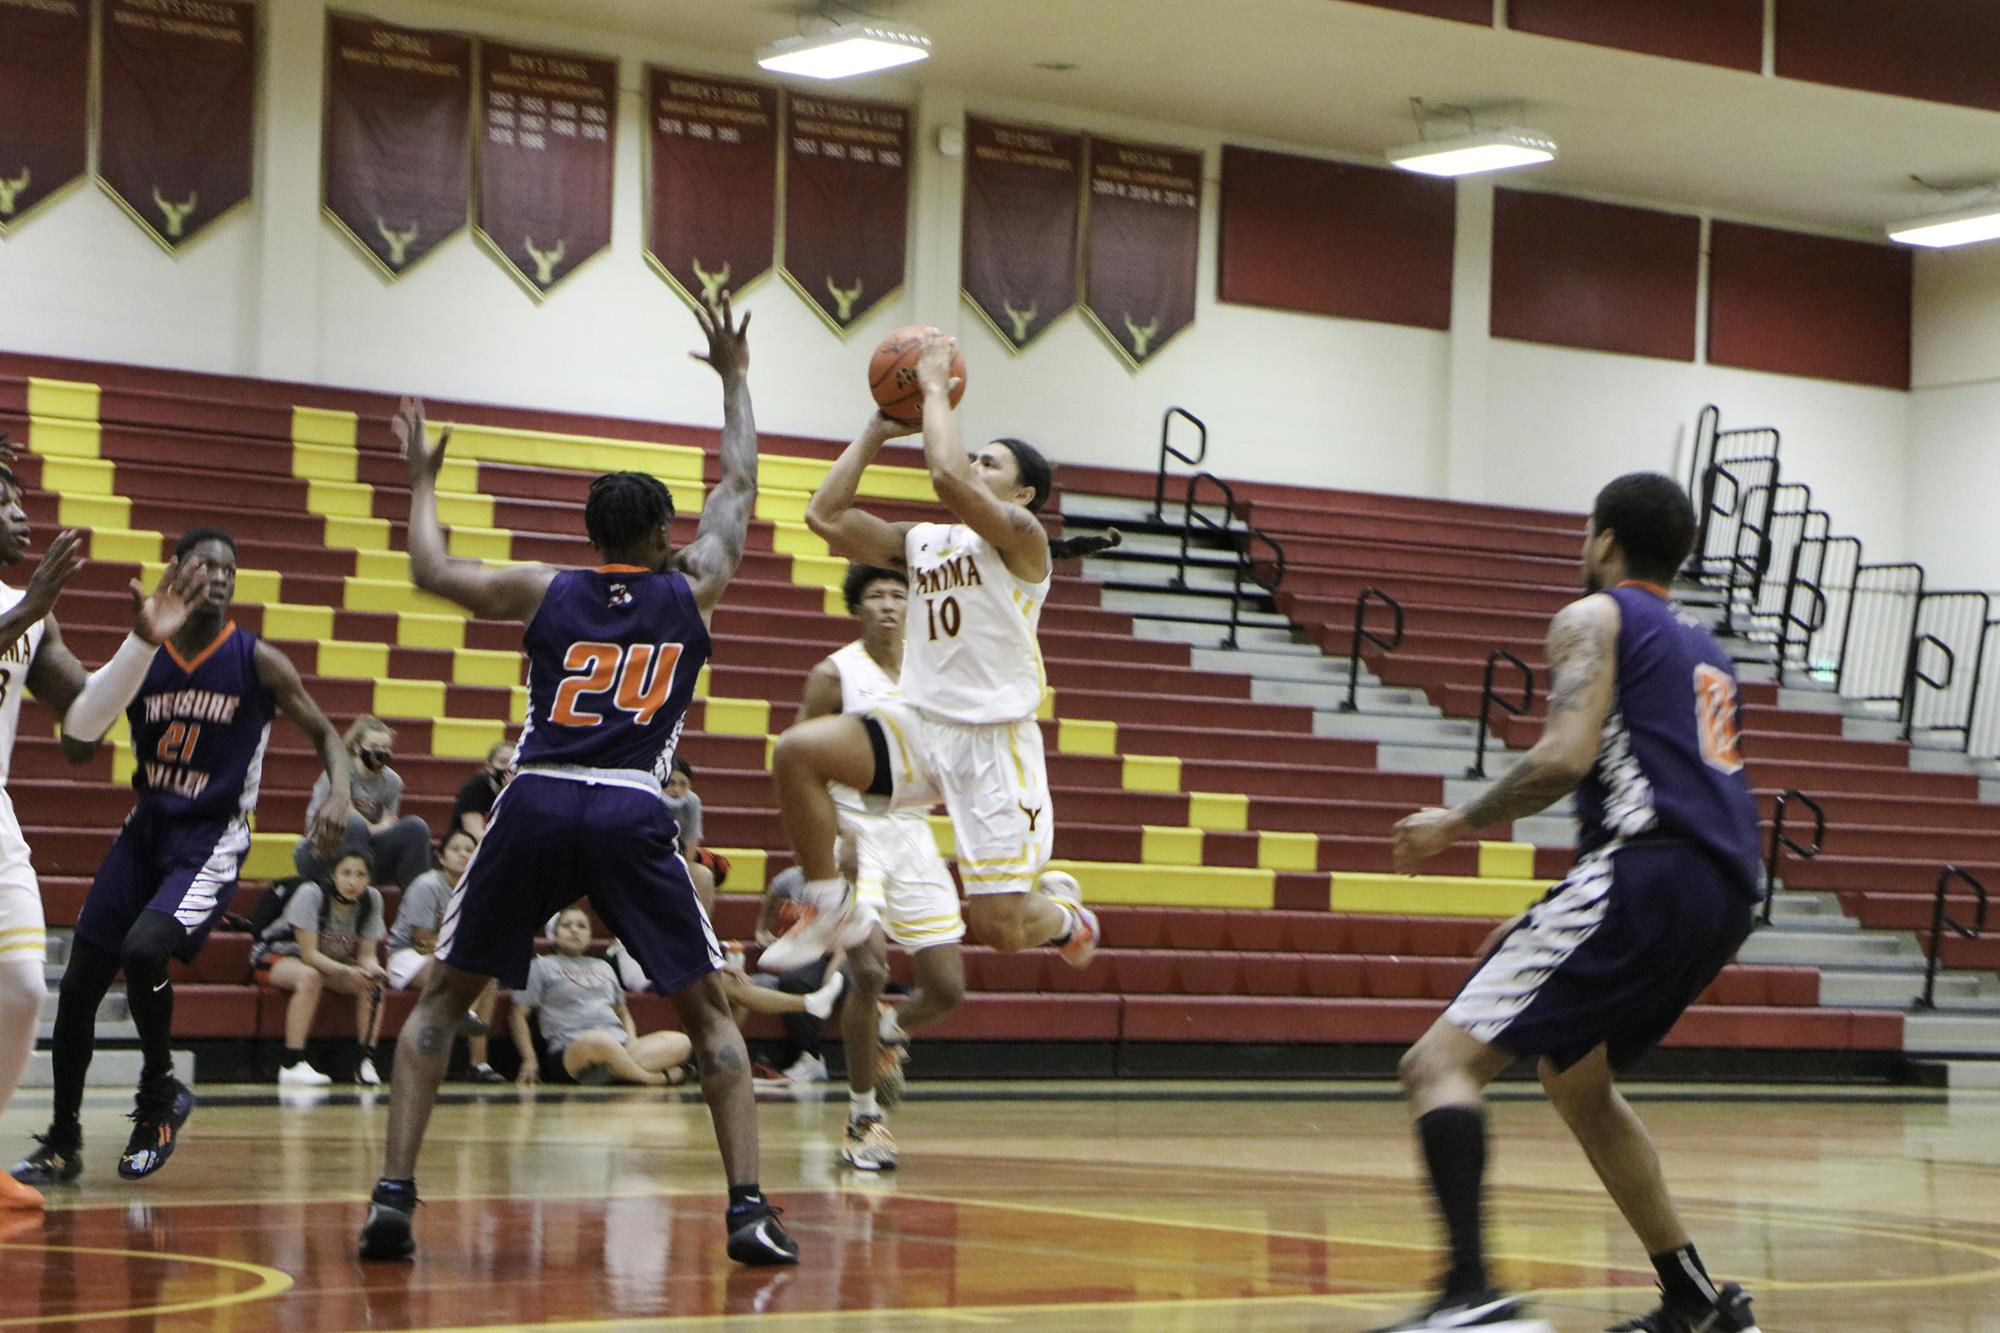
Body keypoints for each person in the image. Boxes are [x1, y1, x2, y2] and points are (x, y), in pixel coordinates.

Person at [359, 296, 797, 1267]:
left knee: (439, 998)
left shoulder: (543, 585)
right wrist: (731, 374)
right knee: (707, 1013)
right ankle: (747, 1210)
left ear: (591, 533)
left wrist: (420, 481)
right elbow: (740, 481)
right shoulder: (696, 581)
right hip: (635, 803)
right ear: (664, 535)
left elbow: (430, 569)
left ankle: (393, 1193)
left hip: (540, 791)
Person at [1374, 473, 1763, 1333]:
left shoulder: (1594, 617)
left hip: (1648, 870)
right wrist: (1559, 903)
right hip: (1723, 889)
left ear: (1604, 540)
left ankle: (1472, 1298)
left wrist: (1455, 822)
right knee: (1577, 1080)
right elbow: (1669, 777)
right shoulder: (1706, 647)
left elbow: (1563, 756)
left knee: (1438, 1065)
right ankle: (1698, 1302)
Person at [765, 330, 1113, 980]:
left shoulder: (1024, 543)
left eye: (992, 463)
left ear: (1022, 495)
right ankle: (828, 905)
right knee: (798, 752)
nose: (975, 465)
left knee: (1000, 930)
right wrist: (874, 430)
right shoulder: (925, 542)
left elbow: (948, 477)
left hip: (995, 747)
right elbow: (825, 515)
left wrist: (932, 388)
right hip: (922, 724)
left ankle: (1069, 917)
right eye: (976, 456)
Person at [13, 526, 351, 1191]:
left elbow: (326, 732)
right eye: (205, 564)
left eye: (230, 568)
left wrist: (338, 789)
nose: (220, 577)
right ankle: (62, 1139)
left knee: (144, 948)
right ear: (176, 572)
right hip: (147, 828)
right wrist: (135, 651)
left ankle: (160, 1089)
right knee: (79, 980)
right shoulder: (147, 652)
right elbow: (80, 745)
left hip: (211, 839)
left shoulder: (259, 661)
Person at [0, 447, 210, 1207]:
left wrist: (141, 642)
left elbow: (84, 723)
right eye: (3, 501)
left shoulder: (27, 612)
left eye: (21, 500)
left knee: (25, 985)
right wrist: (23, 612)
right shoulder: (22, 610)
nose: (21, 514)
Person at [793, 564, 970, 1172]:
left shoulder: (935, 671)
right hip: (850, 823)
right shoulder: (834, 674)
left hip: (913, 830)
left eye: (899, 595)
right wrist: (832, 833)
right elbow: (799, 764)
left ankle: (890, 1032)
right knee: (867, 968)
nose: (889, 605)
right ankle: (863, 1116)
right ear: (857, 608)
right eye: (876, 596)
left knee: (947, 988)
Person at [253, 848, 389, 1085]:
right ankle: (292, 1062)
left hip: (327, 964)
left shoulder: (372, 900)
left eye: (360, 875)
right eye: (346, 873)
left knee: (373, 984)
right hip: (277, 956)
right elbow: (309, 955)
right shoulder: (312, 894)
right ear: (333, 874)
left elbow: (368, 955)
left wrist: (373, 969)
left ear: (369, 879)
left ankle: (365, 1061)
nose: (352, 881)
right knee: (310, 976)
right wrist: (347, 970)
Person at [514, 908, 694, 1087]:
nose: (574, 930)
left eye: (582, 926)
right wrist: (530, 1060)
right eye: (566, 925)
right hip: (574, 1048)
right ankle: (651, 1078)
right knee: (597, 1040)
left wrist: (633, 1041)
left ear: (590, 934)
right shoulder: (540, 966)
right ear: (554, 933)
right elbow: (518, 1015)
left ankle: (610, 1073)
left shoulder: (604, 967)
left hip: (620, 1045)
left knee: (681, 1041)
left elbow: (622, 1012)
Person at [383, 827, 502, 1082]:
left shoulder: (477, 889)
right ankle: (461, 1014)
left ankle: (479, 1063)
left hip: (447, 954)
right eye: (456, 849)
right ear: (442, 857)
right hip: (406, 955)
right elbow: (422, 940)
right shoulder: (427, 885)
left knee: (488, 977)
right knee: (448, 973)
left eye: (469, 850)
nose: (463, 855)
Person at [293, 716, 432, 889]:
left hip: (365, 851)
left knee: (416, 827)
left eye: (386, 748)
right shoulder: (338, 771)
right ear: (357, 747)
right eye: (374, 747)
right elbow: (327, 823)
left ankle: (417, 904)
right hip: (320, 850)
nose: (380, 752)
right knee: (354, 826)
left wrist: (372, 828)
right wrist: (371, 827)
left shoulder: (392, 782)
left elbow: (389, 824)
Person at [664, 757, 729, 897]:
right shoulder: (650, 795)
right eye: (671, 783)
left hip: (677, 858)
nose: (677, 790)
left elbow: (690, 848)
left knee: (704, 876)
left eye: (683, 784)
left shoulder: (692, 802)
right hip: (648, 858)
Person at [451, 740, 512, 840]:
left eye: (512, 763)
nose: (508, 768)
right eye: (502, 762)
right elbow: (475, 835)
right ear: (488, 766)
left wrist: (512, 792)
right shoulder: (474, 788)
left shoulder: (523, 791)